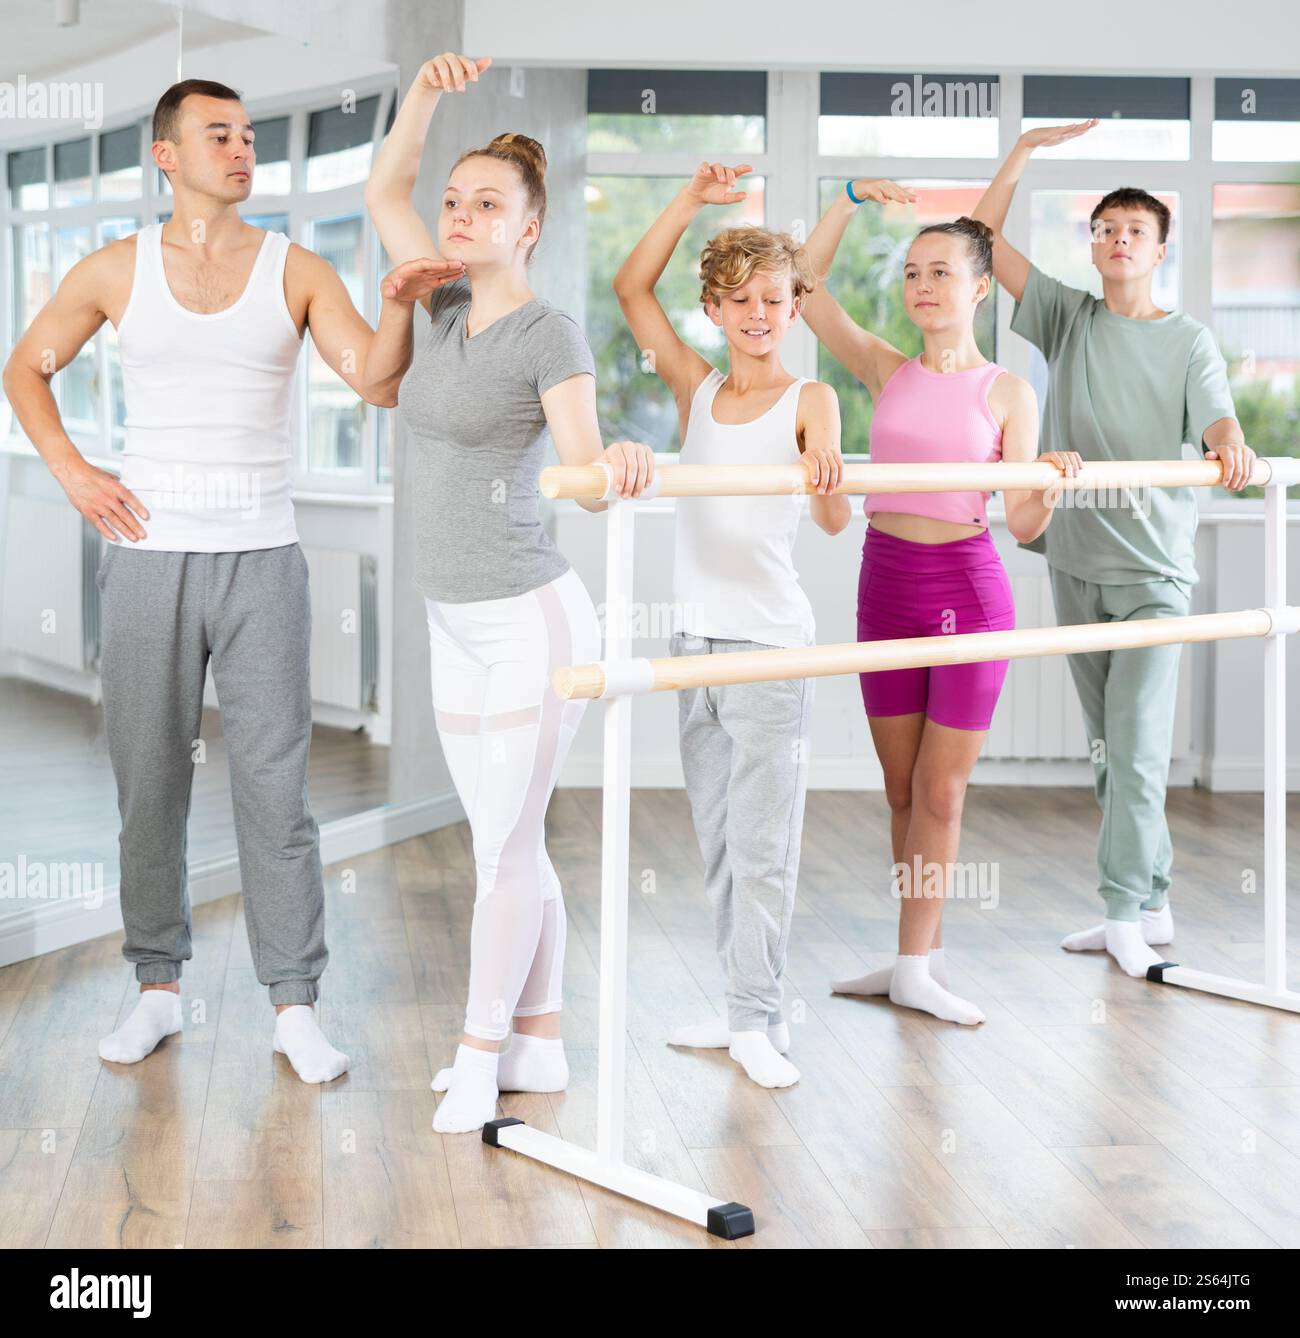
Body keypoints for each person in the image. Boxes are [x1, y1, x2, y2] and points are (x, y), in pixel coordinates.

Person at [1, 79, 409, 1081]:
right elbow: (25, 368)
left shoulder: (298, 268)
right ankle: (156, 989)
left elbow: (376, 380)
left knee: (275, 792)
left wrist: (398, 303)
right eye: (217, 134)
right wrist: (74, 471)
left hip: (264, 558)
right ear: (167, 155)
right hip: (144, 561)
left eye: (248, 134)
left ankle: (295, 1006)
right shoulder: (112, 270)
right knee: (150, 787)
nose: (241, 148)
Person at [363, 52, 655, 1132]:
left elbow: (579, 469)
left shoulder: (550, 332)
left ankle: (480, 1052)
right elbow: (382, 193)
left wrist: (614, 461)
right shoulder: (434, 303)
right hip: (452, 621)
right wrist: (427, 97)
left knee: (501, 846)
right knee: (511, 840)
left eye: (488, 203)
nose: (463, 214)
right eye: (457, 201)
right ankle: (540, 1037)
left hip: (530, 618)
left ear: (528, 225)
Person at [972, 122, 1255, 977]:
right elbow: (978, 246)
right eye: (1105, 230)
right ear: (1092, 247)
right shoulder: (1067, 316)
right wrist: (1020, 152)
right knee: (1108, 752)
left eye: (1134, 230)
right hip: (1074, 563)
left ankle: (1123, 911)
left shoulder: (1188, 340)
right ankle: (1154, 901)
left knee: (1134, 747)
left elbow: (1216, 419)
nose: (1117, 240)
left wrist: (1232, 442)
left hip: (1154, 575)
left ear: (1161, 248)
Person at [801, 181, 1079, 1024]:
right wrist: (845, 201)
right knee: (898, 789)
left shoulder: (1007, 392)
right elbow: (805, 291)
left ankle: (919, 965)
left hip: (967, 589)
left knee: (942, 792)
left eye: (942, 272)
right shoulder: (886, 369)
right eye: (913, 272)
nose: (922, 286)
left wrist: (1050, 485)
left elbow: (1023, 523)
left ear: (980, 287)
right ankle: (912, 956)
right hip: (883, 583)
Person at [614, 161, 849, 1086]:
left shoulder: (811, 400)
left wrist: (829, 470)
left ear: (796, 307)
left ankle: (759, 1019)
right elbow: (632, 287)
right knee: (718, 843)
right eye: (742, 299)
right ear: (715, 307)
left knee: (762, 847)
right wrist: (687, 202)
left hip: (767, 649)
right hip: (690, 646)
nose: (761, 313)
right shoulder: (697, 389)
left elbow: (833, 518)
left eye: (777, 299)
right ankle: (741, 1005)